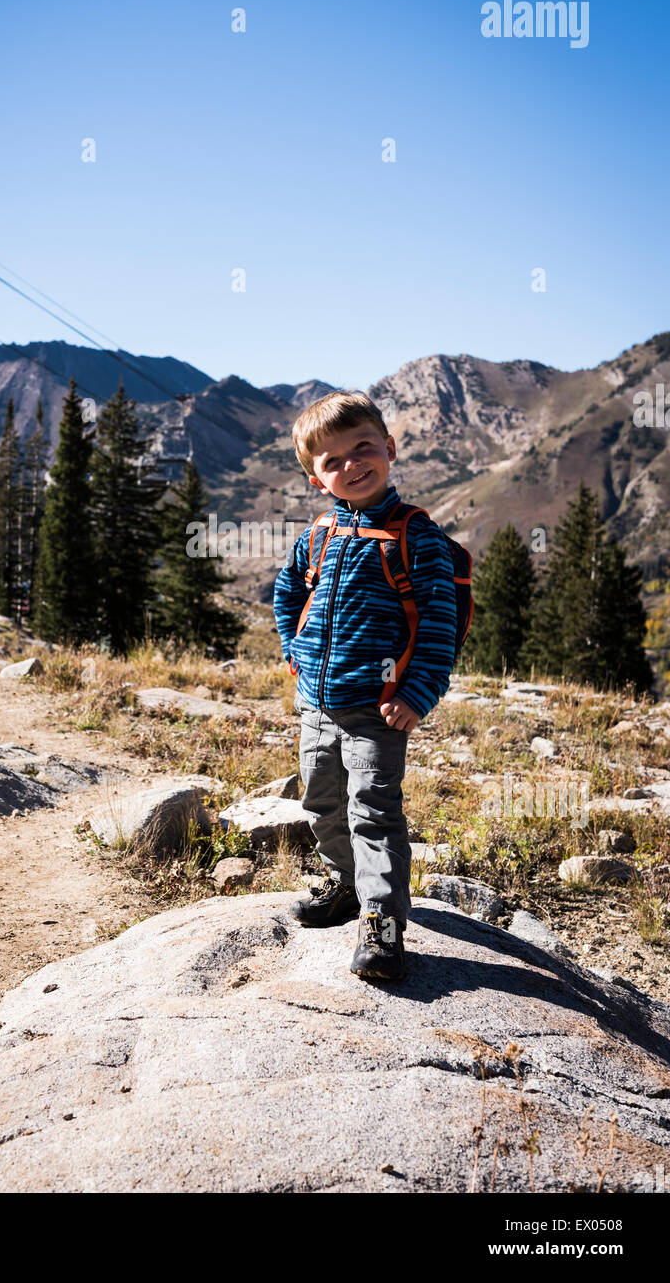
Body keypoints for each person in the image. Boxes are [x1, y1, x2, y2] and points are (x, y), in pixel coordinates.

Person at [272, 390, 457, 980]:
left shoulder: (417, 537)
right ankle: (346, 883)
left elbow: (439, 625)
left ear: (389, 448)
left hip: (379, 708)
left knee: (373, 811)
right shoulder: (319, 536)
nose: (350, 465)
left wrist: (416, 694)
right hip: (317, 705)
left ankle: (383, 921)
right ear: (315, 479)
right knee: (321, 800)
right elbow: (286, 594)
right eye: (331, 461)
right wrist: (294, 655)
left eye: (362, 448)